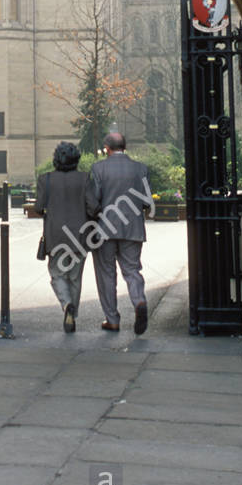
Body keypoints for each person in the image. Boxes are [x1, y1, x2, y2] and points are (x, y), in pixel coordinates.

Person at [86, 131, 152, 335]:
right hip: (132, 228)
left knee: (106, 274)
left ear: (106, 148)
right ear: (125, 147)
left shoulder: (98, 168)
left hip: (104, 229)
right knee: (132, 271)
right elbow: (147, 201)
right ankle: (139, 300)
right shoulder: (141, 169)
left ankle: (112, 319)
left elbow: (93, 201)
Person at [34, 141, 90, 333]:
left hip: (55, 234)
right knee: (75, 277)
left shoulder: (46, 179)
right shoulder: (85, 179)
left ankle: (66, 305)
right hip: (80, 235)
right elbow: (93, 207)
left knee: (57, 274)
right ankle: (72, 314)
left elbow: (38, 207)